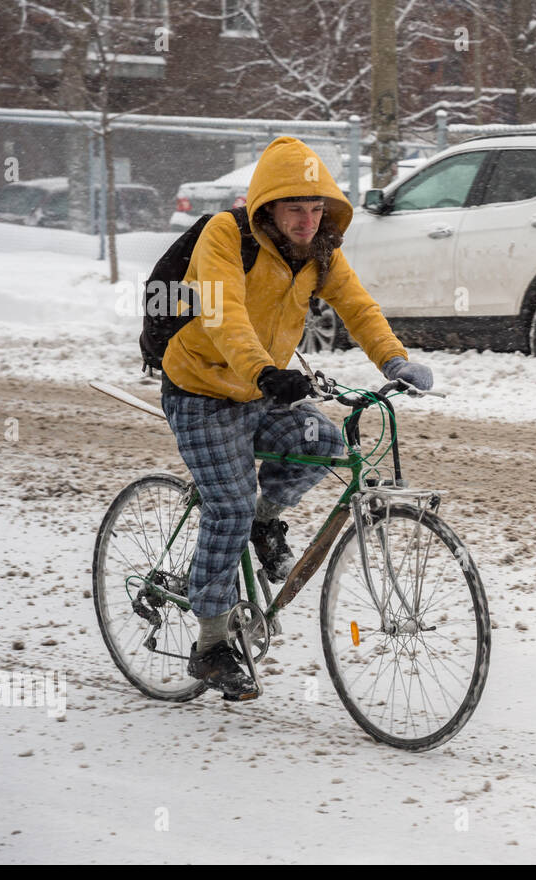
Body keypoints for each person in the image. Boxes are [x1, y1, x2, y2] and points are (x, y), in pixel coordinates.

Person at [159, 136, 431, 700]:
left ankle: (265, 521)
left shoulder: (319, 251)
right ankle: (210, 645)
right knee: (226, 505)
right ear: (268, 209)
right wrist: (263, 371)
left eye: (316, 210)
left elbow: (357, 305)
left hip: (259, 389)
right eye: (294, 209)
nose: (307, 221)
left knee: (323, 443)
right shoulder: (226, 237)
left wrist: (394, 358)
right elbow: (221, 311)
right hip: (202, 390)